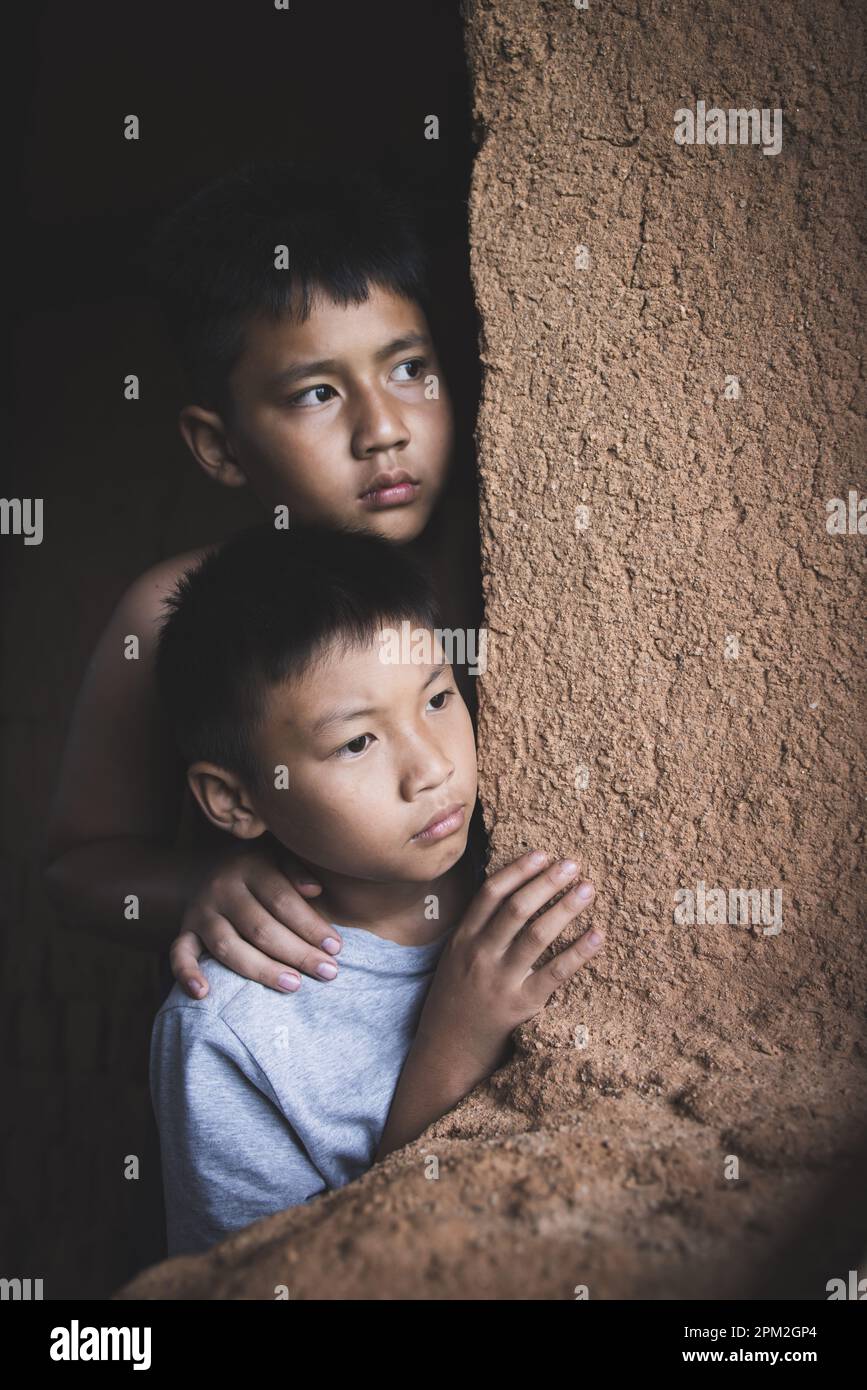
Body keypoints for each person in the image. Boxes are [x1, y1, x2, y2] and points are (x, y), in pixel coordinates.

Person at [42, 162, 481, 1001]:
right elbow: (76, 868)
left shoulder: (497, 561)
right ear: (219, 445)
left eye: (409, 369)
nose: (383, 430)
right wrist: (203, 887)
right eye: (316, 392)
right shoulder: (173, 608)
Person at [150, 521, 601, 1255]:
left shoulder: (522, 869)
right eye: (357, 742)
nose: (430, 769)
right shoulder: (231, 1035)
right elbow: (274, 1281)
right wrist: (454, 1042)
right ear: (237, 801)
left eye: (435, 699)